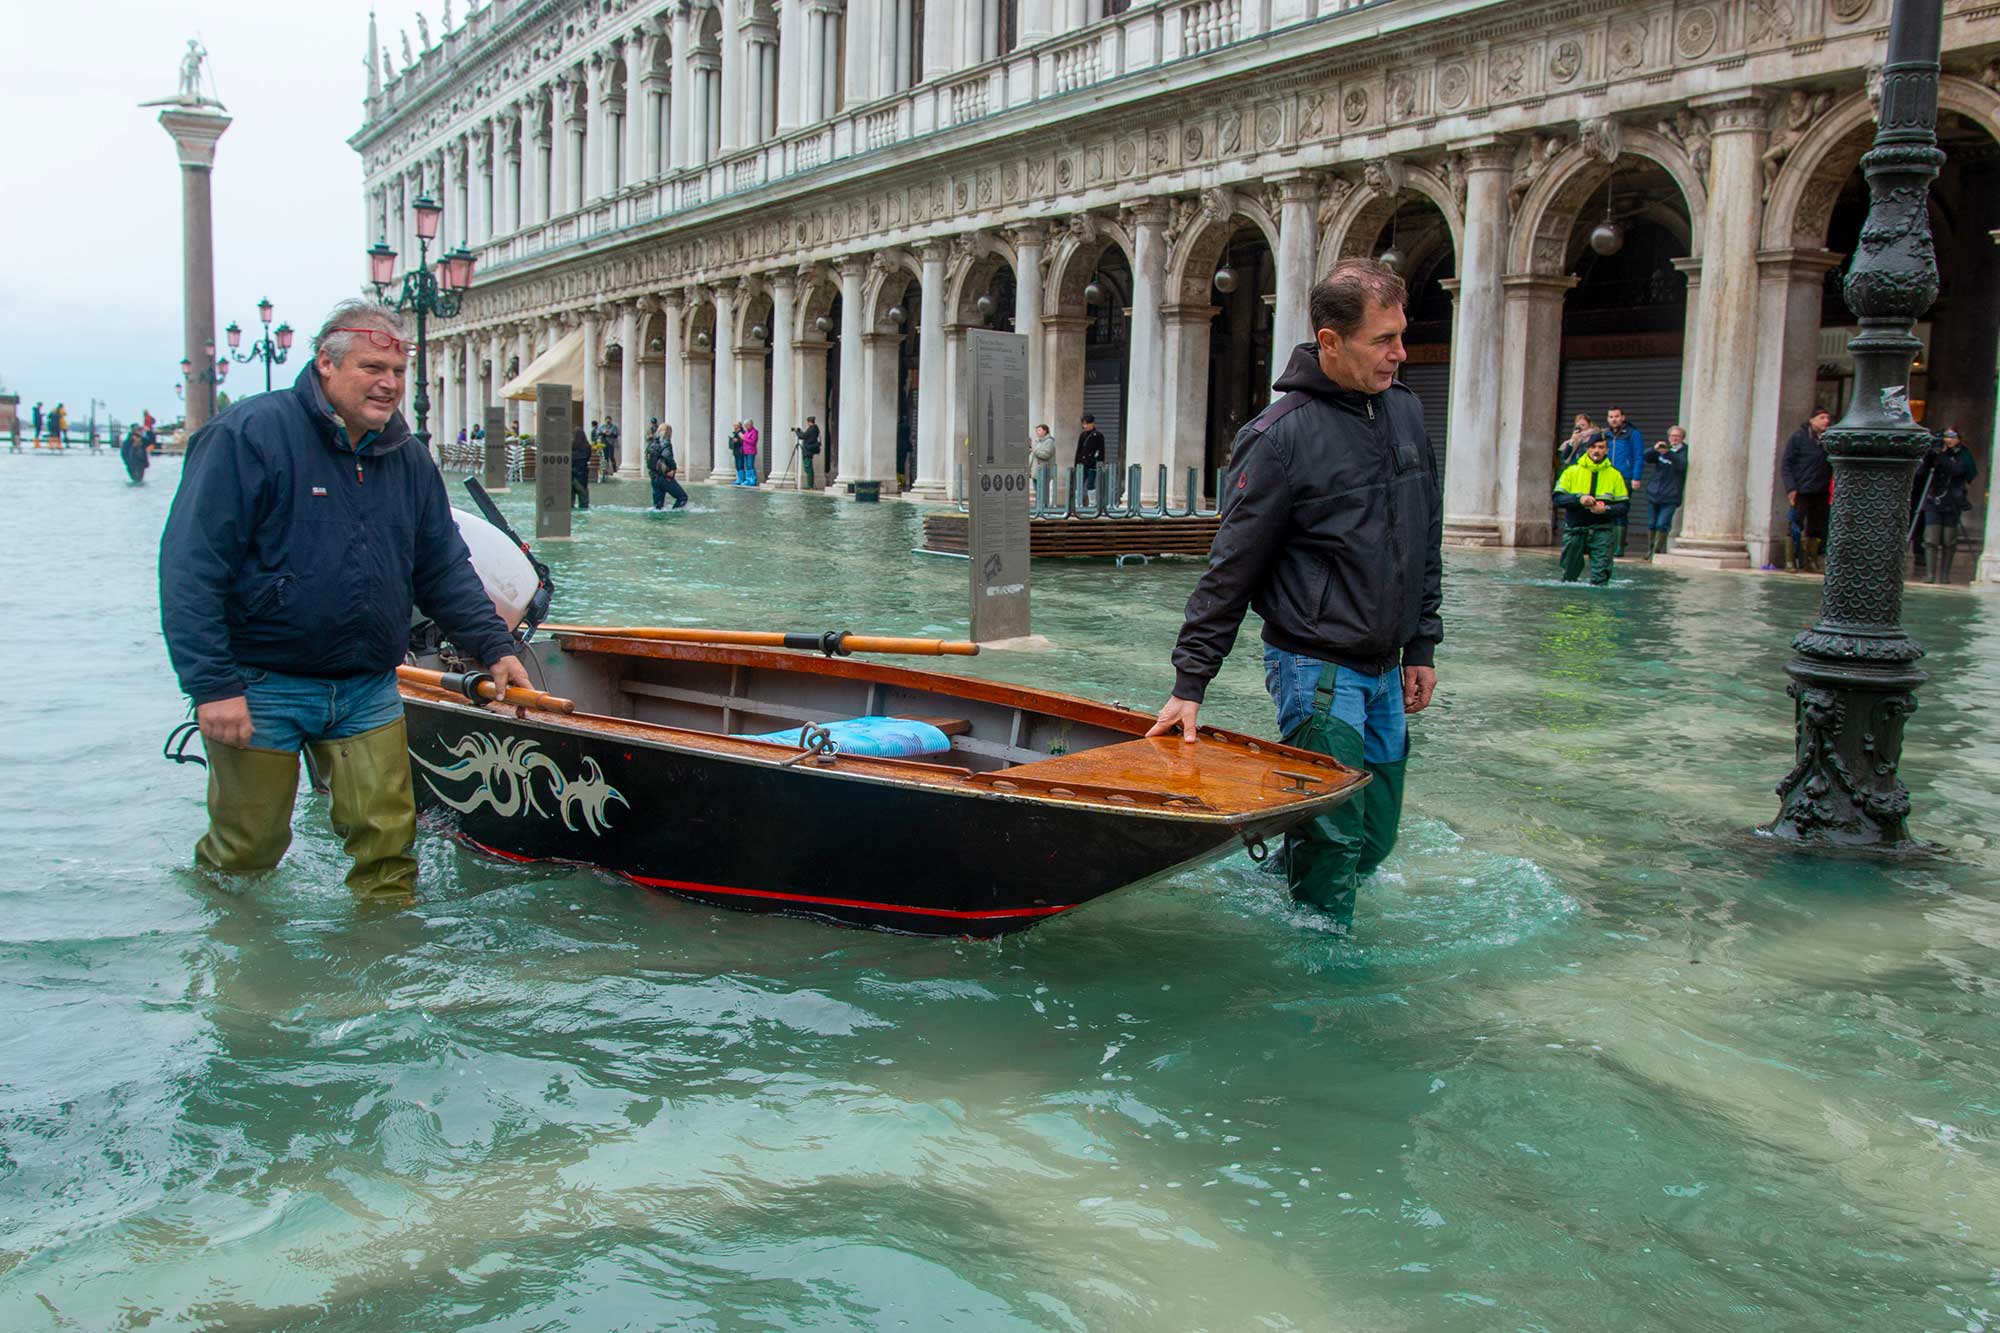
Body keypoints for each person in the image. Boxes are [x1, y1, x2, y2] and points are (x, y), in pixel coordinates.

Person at [158, 299, 528, 897]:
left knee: (389, 854)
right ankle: (236, 955)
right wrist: (212, 686)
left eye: (397, 371)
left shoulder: (408, 457)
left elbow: (442, 566)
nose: (388, 384)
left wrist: (494, 645)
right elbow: (190, 569)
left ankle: (383, 955)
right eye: (371, 367)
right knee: (245, 853)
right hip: (261, 685)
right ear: (325, 365)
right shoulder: (247, 435)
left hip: (367, 687)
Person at [1148, 259, 1442, 932]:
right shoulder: (1276, 438)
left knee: (1375, 838)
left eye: (1401, 335)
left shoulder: (1405, 409)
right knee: (1334, 847)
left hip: (1386, 666)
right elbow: (1231, 568)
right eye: (1384, 340)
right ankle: (1320, 959)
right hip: (1317, 670)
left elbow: (1425, 531)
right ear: (1330, 341)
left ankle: (1272, 883)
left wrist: (1423, 643)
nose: (1400, 353)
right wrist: (1191, 681)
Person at [1554, 435, 1630, 586]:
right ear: (1587, 449)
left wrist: (1606, 509)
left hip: (1602, 531)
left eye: (1601, 447)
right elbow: (1557, 499)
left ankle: (1598, 599)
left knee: (1601, 578)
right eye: (1593, 447)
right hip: (1575, 530)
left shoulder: (1615, 475)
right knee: (1569, 578)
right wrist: (1579, 499)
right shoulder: (1571, 471)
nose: (1597, 451)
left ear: (1606, 450)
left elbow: (1624, 507)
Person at [1916, 428, 1979, 584]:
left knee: (1948, 540)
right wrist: (1930, 455)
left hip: (1952, 501)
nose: (1948, 440)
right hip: (1933, 500)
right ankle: (1930, 575)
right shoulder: (1934, 454)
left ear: (1958, 439)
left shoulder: (1963, 454)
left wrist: (1942, 456)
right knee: (1931, 539)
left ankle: (1944, 576)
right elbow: (1921, 472)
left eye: (1952, 437)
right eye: (1946, 437)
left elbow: (1958, 470)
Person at [1781, 407, 1834, 572]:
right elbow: (1786, 465)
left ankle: (1811, 560)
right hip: (1802, 489)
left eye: (1827, 418)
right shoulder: (1799, 438)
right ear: (1812, 420)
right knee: (1795, 524)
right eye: (1822, 418)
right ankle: (1790, 560)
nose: (1826, 421)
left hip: (1821, 489)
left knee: (1816, 527)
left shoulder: (1829, 440)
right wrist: (1791, 488)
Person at [1643, 426, 1689, 559]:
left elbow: (1682, 465)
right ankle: (1649, 549)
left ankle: (1656, 551)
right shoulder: (1662, 450)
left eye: (1677, 436)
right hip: (1654, 492)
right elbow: (1647, 457)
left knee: (1662, 524)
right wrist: (1655, 449)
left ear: (1682, 438)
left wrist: (1668, 453)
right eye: (1672, 436)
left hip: (1671, 495)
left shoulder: (1685, 451)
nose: (1674, 439)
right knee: (1651, 523)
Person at [1604, 406, 1644, 555]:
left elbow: (1638, 456)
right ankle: (1608, 543)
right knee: (1606, 509)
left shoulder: (1633, 433)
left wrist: (1636, 477)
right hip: (1607, 477)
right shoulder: (1605, 434)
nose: (1614, 420)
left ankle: (1619, 547)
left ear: (1623, 417)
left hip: (1625, 477)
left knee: (1620, 509)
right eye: (1611, 417)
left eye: (1616, 416)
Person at [646, 421, 688, 510]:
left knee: (658, 507)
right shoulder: (666, 442)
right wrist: (673, 468)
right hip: (664, 477)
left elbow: (647, 458)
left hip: (654, 477)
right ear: (669, 433)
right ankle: (674, 515)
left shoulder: (652, 443)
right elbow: (667, 455)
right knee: (682, 497)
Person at [1075, 413, 1106, 504]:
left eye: (1087, 424)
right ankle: (1077, 503)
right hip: (1082, 464)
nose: (1085, 426)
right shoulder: (1082, 435)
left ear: (1092, 423)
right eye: (1083, 424)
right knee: (1079, 483)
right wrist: (1076, 464)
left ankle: (1092, 503)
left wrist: (1099, 463)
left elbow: (1101, 451)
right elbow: (1079, 450)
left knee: (1090, 484)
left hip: (1092, 464)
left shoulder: (1098, 435)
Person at [1031, 423, 1056, 504]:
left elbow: (1045, 455)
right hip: (1035, 471)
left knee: (1043, 492)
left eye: (1039, 430)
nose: (1037, 432)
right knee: (1037, 491)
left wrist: (1034, 450)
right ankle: (1039, 507)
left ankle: (1044, 507)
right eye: (1037, 430)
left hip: (1044, 470)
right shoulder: (1038, 441)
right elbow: (1034, 455)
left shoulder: (1049, 441)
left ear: (1045, 431)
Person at [796, 416, 822, 489]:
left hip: (808, 450)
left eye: (807, 422)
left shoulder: (812, 429)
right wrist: (800, 431)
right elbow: (806, 435)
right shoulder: (815, 429)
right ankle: (810, 485)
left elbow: (802, 436)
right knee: (809, 468)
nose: (807, 424)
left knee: (808, 468)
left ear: (809, 422)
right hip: (810, 450)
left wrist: (796, 432)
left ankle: (810, 485)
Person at [570, 422, 592, 509]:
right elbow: (587, 458)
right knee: (584, 503)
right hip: (582, 476)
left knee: (569, 504)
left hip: (571, 476)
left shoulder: (570, 446)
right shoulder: (587, 446)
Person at [740, 419, 760, 486]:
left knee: (750, 465)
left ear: (750, 425)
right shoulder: (746, 432)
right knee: (747, 465)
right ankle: (748, 479)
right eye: (745, 426)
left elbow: (753, 441)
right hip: (745, 451)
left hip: (751, 451)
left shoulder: (754, 432)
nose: (746, 427)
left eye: (746, 425)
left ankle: (752, 480)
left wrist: (744, 438)